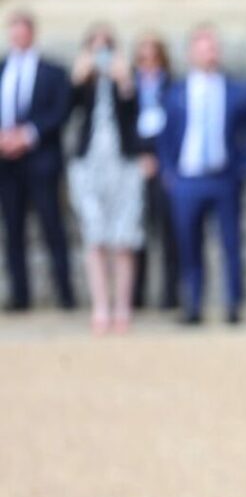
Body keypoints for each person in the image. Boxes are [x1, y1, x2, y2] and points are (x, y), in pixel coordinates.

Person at [157, 25, 246, 325]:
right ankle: (193, 304)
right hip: (187, 179)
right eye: (203, 47)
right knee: (189, 244)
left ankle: (233, 304)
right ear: (191, 53)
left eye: (213, 47)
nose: (210, 53)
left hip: (224, 178)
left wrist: (242, 169)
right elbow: (166, 135)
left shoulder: (235, 91)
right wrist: (169, 172)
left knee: (230, 243)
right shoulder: (175, 93)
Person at [67, 23, 144, 334]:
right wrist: (77, 80)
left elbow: (139, 116)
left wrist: (125, 81)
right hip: (89, 164)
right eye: (94, 48)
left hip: (123, 163)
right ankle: (100, 306)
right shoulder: (80, 84)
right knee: (95, 237)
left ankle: (122, 306)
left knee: (124, 239)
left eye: (106, 47)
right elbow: (64, 114)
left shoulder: (126, 78)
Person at [0, 12, 75, 312]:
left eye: (22, 31)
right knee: (13, 229)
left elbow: (60, 111)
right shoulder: (3, 68)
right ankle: (20, 296)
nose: (17, 37)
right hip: (6, 163)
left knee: (52, 226)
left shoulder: (53, 71)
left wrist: (28, 134)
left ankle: (66, 294)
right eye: (13, 31)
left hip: (41, 160)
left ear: (32, 33)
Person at [131, 33, 179, 311]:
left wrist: (163, 160)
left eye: (153, 57)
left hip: (163, 167)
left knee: (167, 233)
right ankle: (137, 295)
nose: (148, 63)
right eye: (142, 58)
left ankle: (170, 295)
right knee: (137, 234)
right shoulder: (129, 87)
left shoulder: (171, 87)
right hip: (136, 165)